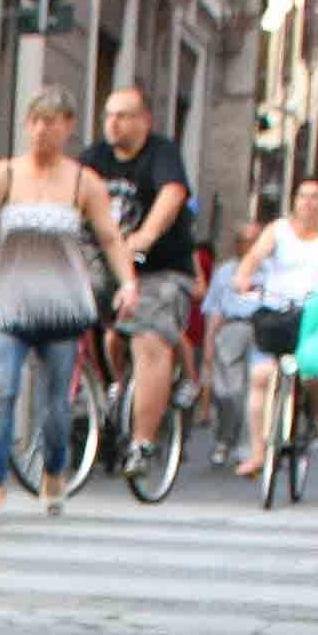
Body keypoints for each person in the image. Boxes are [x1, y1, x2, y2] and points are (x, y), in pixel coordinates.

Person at [0, 89, 143, 525]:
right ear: (27, 125)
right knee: (0, 393)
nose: (43, 130)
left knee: (55, 406)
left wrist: (128, 284)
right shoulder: (3, 175)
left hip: (61, 305)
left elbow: (108, 238)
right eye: (36, 121)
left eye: (53, 121)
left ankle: (53, 472)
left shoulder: (84, 182)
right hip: (7, 304)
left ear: (68, 126)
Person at [86, 86, 197, 464]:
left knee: (147, 338)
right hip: (113, 268)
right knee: (110, 333)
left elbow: (172, 193)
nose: (113, 124)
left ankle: (143, 443)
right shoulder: (95, 158)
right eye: (109, 116)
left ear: (144, 121)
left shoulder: (162, 152)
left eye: (123, 115)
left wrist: (145, 236)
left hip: (161, 270)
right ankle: (118, 386)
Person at [231, 178, 318, 481]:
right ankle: (258, 452)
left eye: (316, 197)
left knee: (316, 370)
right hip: (279, 310)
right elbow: (253, 258)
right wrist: (243, 277)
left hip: (314, 313)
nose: (308, 202)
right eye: (303, 196)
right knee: (260, 376)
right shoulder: (278, 230)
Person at [200, 207, 268, 467]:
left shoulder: (271, 270)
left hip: (262, 326)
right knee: (227, 390)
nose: (250, 246)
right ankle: (224, 439)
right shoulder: (225, 272)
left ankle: (249, 445)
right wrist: (208, 346)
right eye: (245, 241)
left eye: (255, 241)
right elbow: (214, 310)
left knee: (257, 386)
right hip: (231, 328)